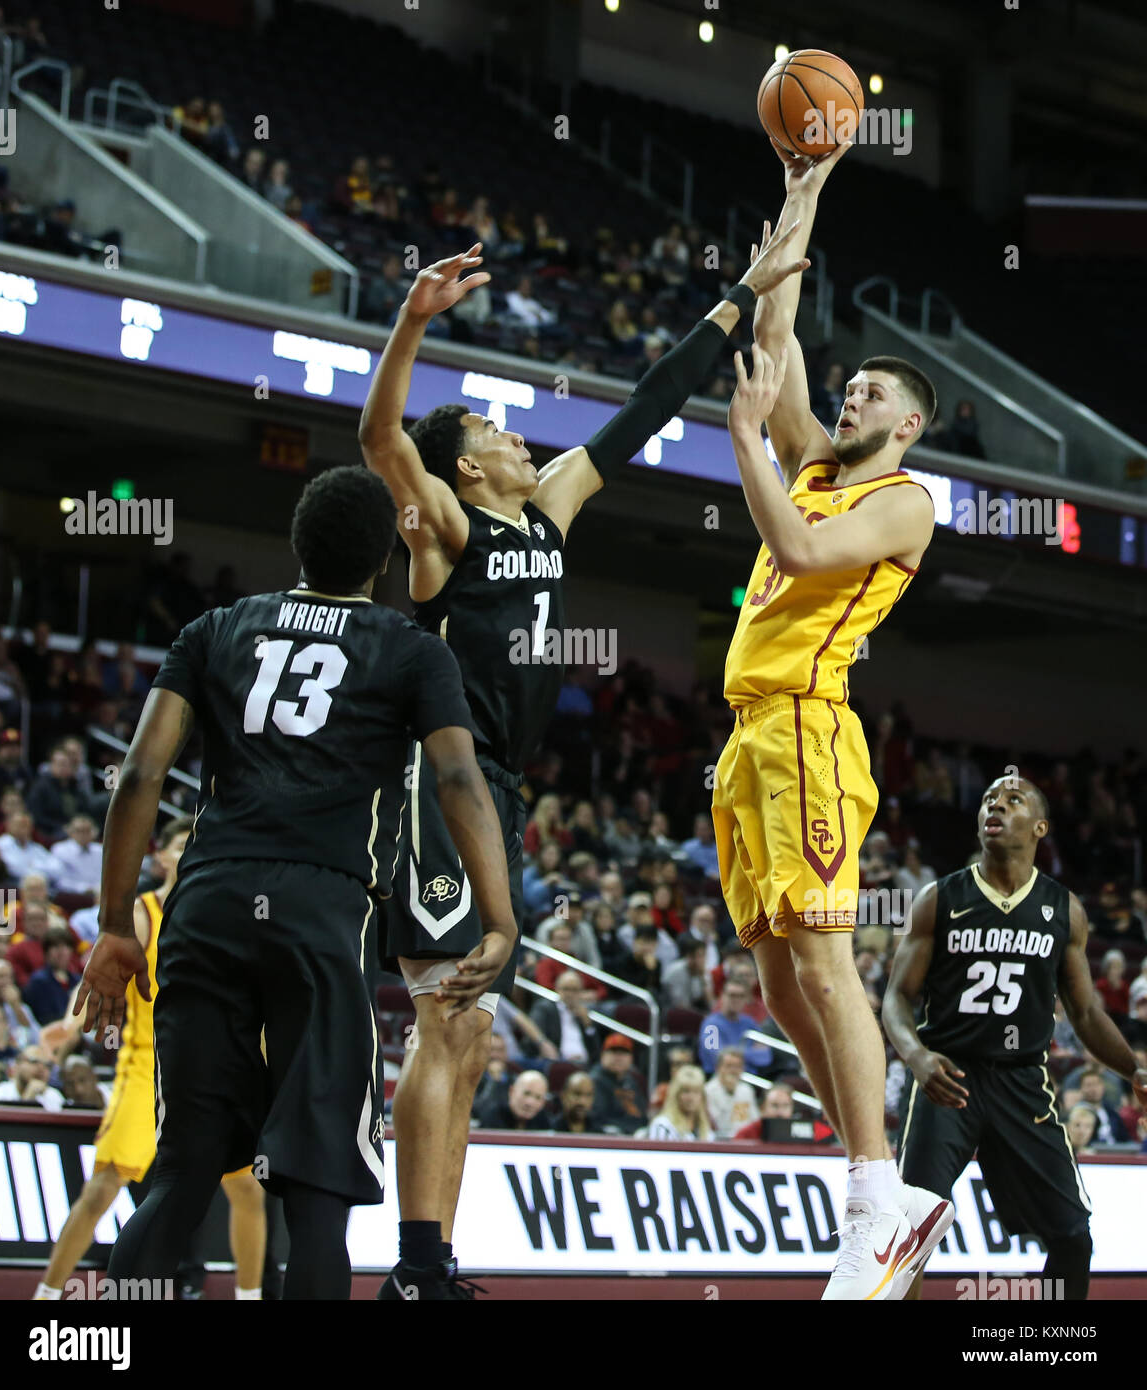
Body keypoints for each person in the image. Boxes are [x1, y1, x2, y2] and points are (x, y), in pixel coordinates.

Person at [358, 228, 809, 1295]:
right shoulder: (446, 528)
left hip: (498, 786)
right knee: (448, 1014)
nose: (518, 432)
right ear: (468, 463)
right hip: (433, 776)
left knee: (467, 1040)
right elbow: (381, 438)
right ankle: (413, 1263)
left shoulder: (551, 502)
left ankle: (436, 1257)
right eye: (494, 426)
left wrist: (742, 294)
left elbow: (649, 403)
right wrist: (411, 323)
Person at [73, 466, 517, 1302]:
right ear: (385, 556)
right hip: (323, 909)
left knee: (182, 1170)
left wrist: (114, 925)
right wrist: (498, 919)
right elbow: (459, 781)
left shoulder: (214, 628)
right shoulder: (412, 649)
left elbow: (137, 776)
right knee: (315, 1197)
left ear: (296, 547)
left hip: (205, 900)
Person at [711, 136, 950, 1299]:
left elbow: (798, 551)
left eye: (873, 393)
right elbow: (776, 326)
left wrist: (747, 440)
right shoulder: (814, 460)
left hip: (809, 728)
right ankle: (878, 1190)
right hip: (749, 736)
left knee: (822, 956)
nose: (849, 393)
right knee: (772, 980)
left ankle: (875, 1193)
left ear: (909, 425)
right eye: (848, 386)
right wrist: (805, 187)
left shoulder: (901, 502)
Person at [883, 775, 1147, 1303]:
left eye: (1012, 800)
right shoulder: (941, 897)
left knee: (1073, 1237)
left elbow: (1087, 1012)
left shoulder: (1063, 909)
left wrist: (1133, 1069)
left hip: (1023, 1080)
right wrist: (916, 1057)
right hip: (948, 1076)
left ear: (1040, 828)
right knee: (912, 1232)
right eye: (987, 800)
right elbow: (895, 998)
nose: (995, 807)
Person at [34, 818, 268, 1300]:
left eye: (197, 844)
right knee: (105, 1183)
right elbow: (103, 974)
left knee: (247, 1188)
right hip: (148, 1063)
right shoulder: (143, 910)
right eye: (181, 845)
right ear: (161, 855)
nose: (189, 852)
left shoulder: (228, 912)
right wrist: (69, 1028)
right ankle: (49, 1294)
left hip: (219, 1064)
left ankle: (251, 1295)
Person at [697, 979, 773, 1077]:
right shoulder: (711, 1025)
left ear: (746, 999)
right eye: (732, 995)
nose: (736, 1000)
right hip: (718, 1078)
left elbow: (765, 1057)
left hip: (750, 1080)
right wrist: (750, 1053)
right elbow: (716, 1057)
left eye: (741, 996)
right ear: (722, 996)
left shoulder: (749, 1023)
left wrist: (732, 1052)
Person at [528, 970, 601, 1066]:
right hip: (557, 1063)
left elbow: (595, 1051)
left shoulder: (584, 1013)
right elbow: (536, 1037)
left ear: (581, 992)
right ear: (557, 989)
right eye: (566, 989)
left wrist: (588, 1025)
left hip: (584, 1065)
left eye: (575, 990)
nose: (570, 994)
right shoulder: (546, 1009)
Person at [591, 1034, 648, 1135]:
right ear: (603, 1055)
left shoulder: (632, 1081)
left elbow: (642, 1114)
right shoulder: (595, 1081)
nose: (618, 1057)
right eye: (613, 1052)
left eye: (623, 1053)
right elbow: (599, 1119)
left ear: (631, 1058)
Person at [0, 1042, 64, 1110]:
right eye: (34, 1062)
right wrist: (28, 1099)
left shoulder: (55, 1097)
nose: (41, 1069)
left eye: (47, 1065)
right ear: (17, 1065)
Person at [704, 1046, 760, 1139]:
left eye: (737, 1066)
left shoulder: (746, 1090)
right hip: (719, 1141)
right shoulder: (708, 1091)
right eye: (729, 1066)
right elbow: (716, 1125)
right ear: (718, 1068)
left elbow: (754, 1121)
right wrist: (730, 1093)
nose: (733, 1071)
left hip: (744, 1141)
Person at [646, 1065, 711, 1141]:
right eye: (686, 1091)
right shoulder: (663, 1126)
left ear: (702, 1096)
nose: (691, 1098)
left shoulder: (705, 1129)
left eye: (696, 1092)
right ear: (676, 1094)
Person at [475, 1070, 551, 1131]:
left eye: (538, 1097)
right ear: (512, 1091)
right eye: (526, 1093)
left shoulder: (544, 1123)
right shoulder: (492, 1117)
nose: (530, 1102)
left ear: (543, 1103)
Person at [48, 815, 103, 896]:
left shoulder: (100, 850)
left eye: (87, 831)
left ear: (94, 832)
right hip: (74, 895)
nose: (83, 835)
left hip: (100, 893)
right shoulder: (60, 850)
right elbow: (60, 881)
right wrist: (85, 889)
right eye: (79, 831)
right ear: (70, 832)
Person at [680, 812, 720, 879]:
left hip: (718, 883)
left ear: (712, 830)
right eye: (699, 830)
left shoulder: (719, 848)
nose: (702, 833)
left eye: (705, 829)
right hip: (696, 882)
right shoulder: (687, 847)